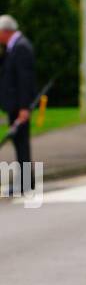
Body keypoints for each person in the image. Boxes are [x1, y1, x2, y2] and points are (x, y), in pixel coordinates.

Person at [0, 14, 36, 181]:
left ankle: (26, 182)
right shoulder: (12, 47)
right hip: (14, 105)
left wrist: (24, 107)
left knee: (22, 144)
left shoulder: (21, 47)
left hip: (19, 106)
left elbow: (25, 80)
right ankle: (24, 181)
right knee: (18, 143)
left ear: (6, 31)